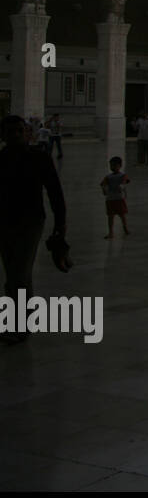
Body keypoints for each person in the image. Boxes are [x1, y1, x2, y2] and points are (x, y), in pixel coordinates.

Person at [0, 114, 68, 343]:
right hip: (5, 221)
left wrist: (60, 227)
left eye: (20, 130)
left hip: (30, 222)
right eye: (11, 131)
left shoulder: (39, 158)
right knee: (15, 274)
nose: (17, 135)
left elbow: (55, 193)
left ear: (28, 133)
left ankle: (17, 326)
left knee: (18, 273)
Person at [100, 156, 130, 239]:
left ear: (119, 166)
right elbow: (103, 184)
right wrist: (104, 189)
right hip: (111, 199)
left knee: (122, 215)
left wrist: (122, 186)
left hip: (118, 198)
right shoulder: (108, 177)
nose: (112, 167)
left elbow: (125, 180)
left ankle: (125, 228)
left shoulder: (122, 175)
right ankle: (111, 232)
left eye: (114, 165)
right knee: (111, 217)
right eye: (111, 165)